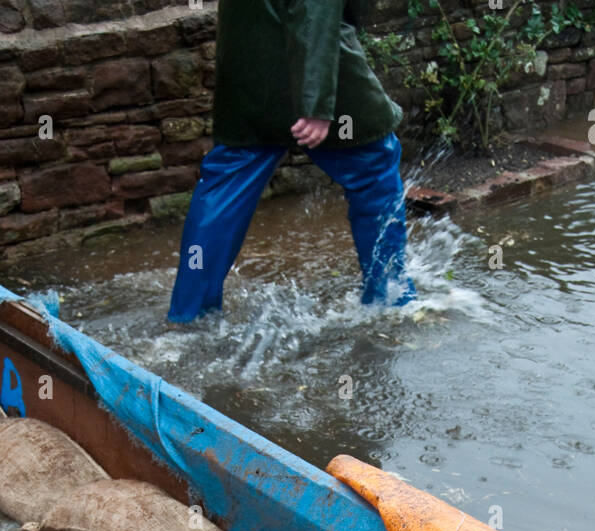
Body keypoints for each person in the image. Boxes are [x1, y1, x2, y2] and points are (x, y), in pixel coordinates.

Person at [168, 0, 415, 321]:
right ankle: (391, 301)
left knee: (225, 187)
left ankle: (189, 313)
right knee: (374, 168)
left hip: (251, 63)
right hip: (317, 65)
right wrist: (315, 101)